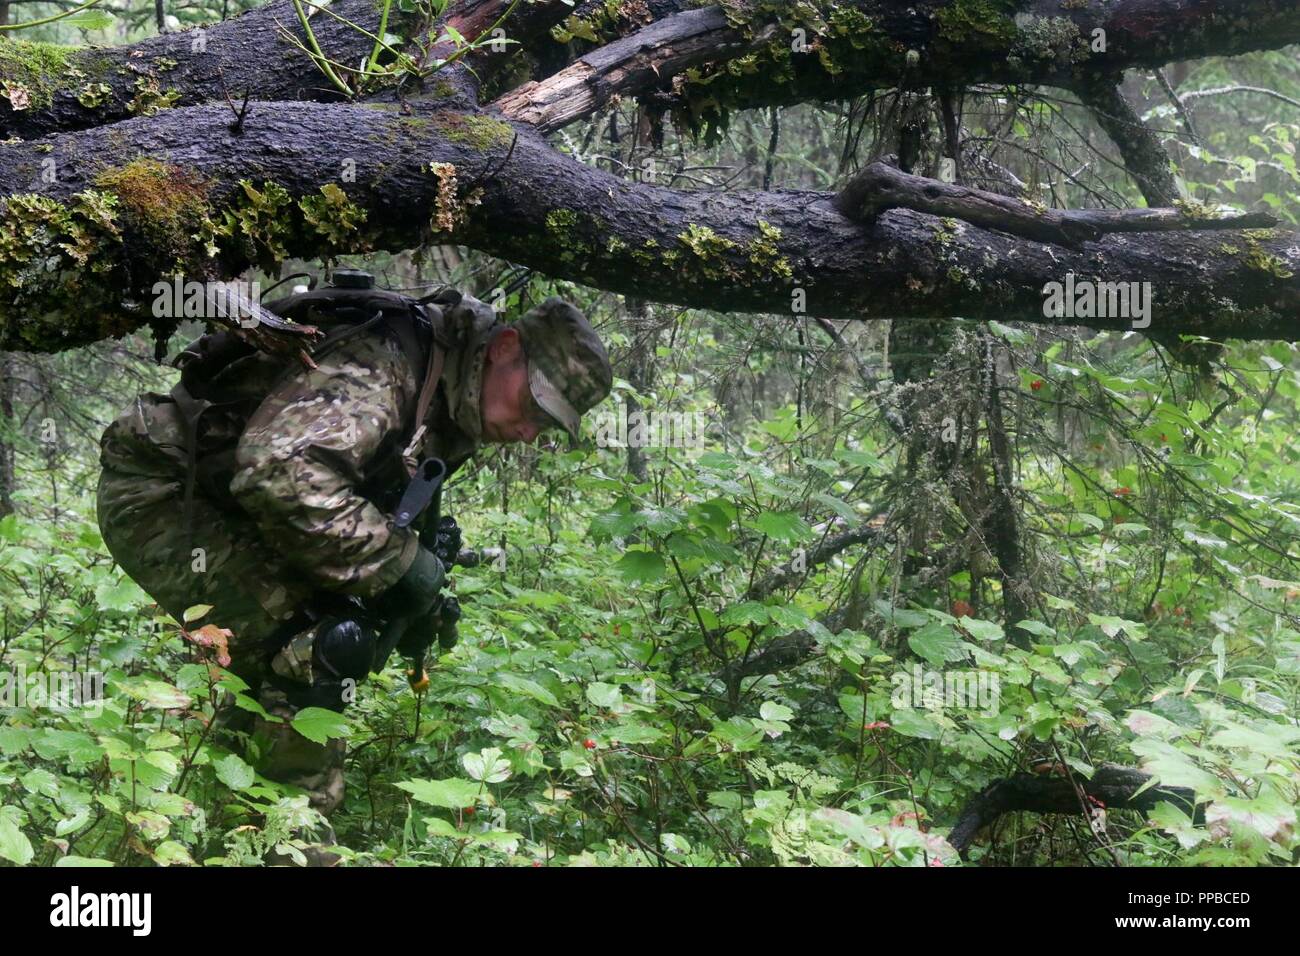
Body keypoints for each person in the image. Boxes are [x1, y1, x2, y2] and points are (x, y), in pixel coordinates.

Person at [95, 272, 612, 822]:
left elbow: (349, 490)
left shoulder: (457, 388)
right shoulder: (383, 362)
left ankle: (240, 817)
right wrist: (401, 564)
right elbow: (279, 473)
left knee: (306, 641)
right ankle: (291, 842)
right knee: (321, 645)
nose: (530, 432)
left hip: (239, 504)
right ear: (505, 347)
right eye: (533, 406)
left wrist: (414, 576)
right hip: (169, 492)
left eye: (547, 425)